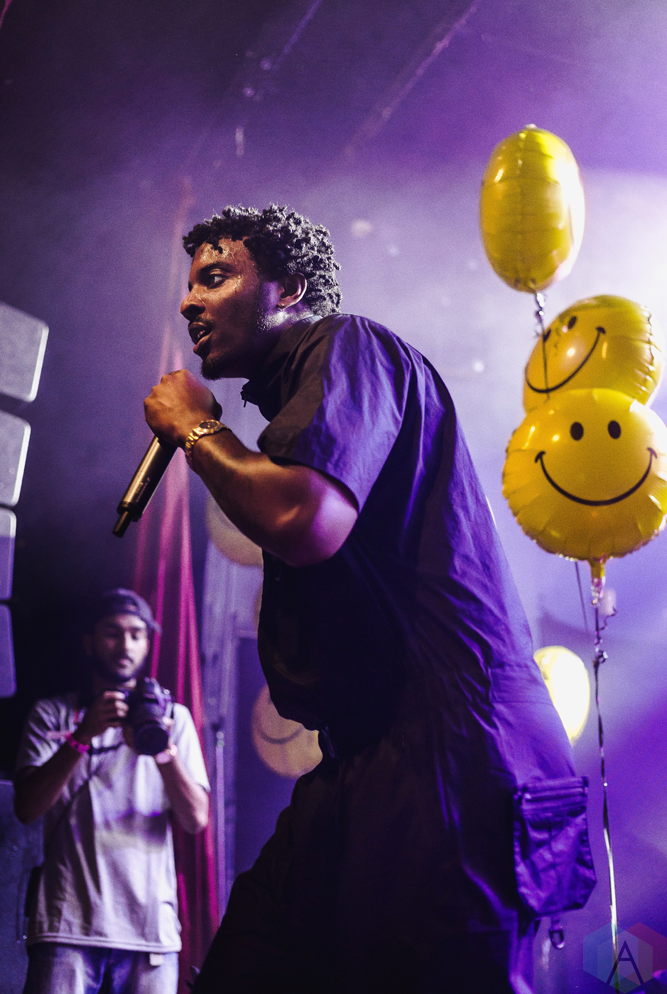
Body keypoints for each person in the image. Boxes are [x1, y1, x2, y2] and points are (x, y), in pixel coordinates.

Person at [144, 205, 594, 993]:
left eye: (215, 277)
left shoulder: (351, 345)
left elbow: (301, 518)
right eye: (191, 286)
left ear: (290, 289)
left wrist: (193, 429)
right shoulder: (301, 393)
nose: (189, 303)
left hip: (451, 751)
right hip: (365, 757)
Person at [14, 588, 210, 994]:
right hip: (66, 925)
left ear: (148, 642)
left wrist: (163, 752)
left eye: (137, 634)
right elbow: (27, 808)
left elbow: (196, 820)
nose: (125, 644)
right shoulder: (53, 714)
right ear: (89, 642)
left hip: (149, 930)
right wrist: (82, 735)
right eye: (113, 632)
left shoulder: (174, 718)